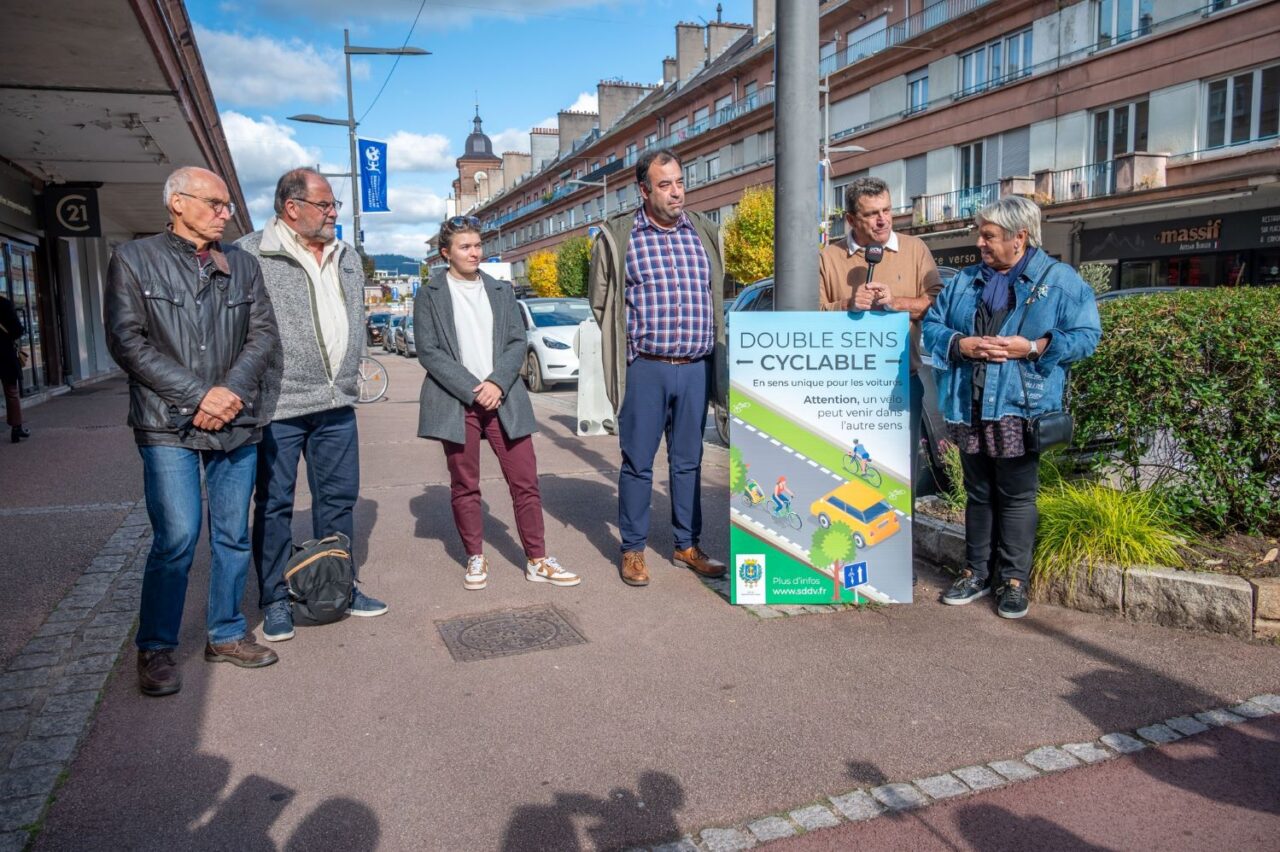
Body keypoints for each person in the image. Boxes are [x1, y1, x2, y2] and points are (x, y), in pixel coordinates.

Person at [104, 166, 280, 696]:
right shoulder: (133, 260)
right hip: (167, 424)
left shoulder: (243, 265)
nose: (225, 214)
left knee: (231, 536)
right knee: (177, 537)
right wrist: (198, 395)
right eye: (215, 204)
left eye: (226, 206)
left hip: (237, 421)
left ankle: (225, 634)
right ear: (178, 203)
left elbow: (263, 335)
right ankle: (156, 648)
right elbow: (127, 342)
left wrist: (228, 394)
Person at [923, 196, 1101, 619]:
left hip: (1021, 407)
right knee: (978, 493)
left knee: (1018, 496)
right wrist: (958, 344)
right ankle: (975, 572)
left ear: (1019, 238)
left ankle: (1014, 581)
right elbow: (932, 327)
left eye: (989, 235)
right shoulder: (965, 281)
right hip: (969, 404)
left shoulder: (1059, 280)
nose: (979, 242)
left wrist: (1036, 347)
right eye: (980, 234)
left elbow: (1087, 337)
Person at [238, 168, 388, 643]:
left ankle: (338, 587)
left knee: (337, 502)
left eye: (334, 206)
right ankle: (276, 598)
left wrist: (352, 369)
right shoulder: (249, 254)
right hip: (278, 404)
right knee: (275, 505)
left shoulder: (346, 255)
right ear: (291, 208)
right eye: (325, 206)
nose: (333, 214)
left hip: (336, 403)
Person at [415, 215, 580, 591]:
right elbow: (429, 351)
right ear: (446, 253)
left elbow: (516, 342)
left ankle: (538, 559)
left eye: (477, 245)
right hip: (458, 400)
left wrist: (496, 383)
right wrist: (474, 388)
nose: (475, 252)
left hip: (503, 396)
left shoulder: (501, 290)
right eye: (465, 247)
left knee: (525, 480)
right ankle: (475, 554)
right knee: (465, 483)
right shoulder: (431, 294)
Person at [589, 148, 728, 587]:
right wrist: (629, 348)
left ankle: (687, 545)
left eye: (680, 182)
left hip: (695, 367)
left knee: (689, 461)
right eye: (664, 184)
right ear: (644, 189)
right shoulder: (619, 236)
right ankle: (632, 549)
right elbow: (600, 302)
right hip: (646, 368)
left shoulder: (704, 232)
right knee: (638, 462)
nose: (676, 192)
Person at [819, 177, 943, 489]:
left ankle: (903, 536)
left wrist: (896, 302)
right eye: (872, 213)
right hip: (844, 387)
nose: (882, 219)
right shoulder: (827, 258)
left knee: (900, 480)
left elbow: (939, 306)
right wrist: (847, 304)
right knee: (846, 478)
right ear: (850, 219)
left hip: (900, 384)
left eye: (887, 210)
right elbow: (809, 317)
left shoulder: (915, 250)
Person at [0, 294, 28, 443]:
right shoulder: (3, 303)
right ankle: (16, 429)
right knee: (11, 391)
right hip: (4, 353)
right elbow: (17, 330)